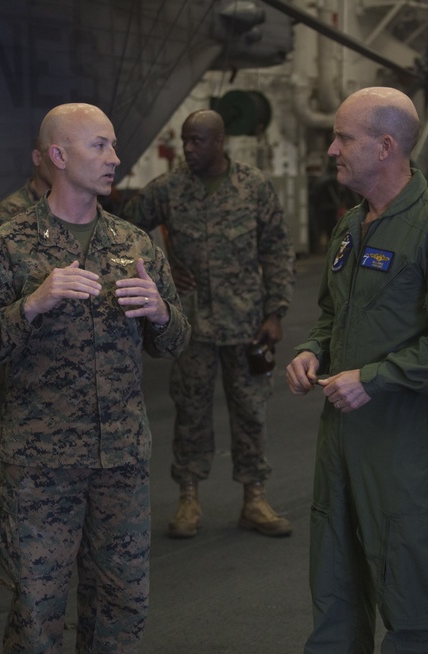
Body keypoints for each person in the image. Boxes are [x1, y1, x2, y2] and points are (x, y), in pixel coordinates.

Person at [0, 103, 190, 654]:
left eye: (113, 146)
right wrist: (32, 305)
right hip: (42, 466)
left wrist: (162, 313)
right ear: (58, 156)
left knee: (121, 605)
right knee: (38, 612)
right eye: (99, 146)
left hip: (121, 461)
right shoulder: (9, 246)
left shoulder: (135, 244)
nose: (114, 159)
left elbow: (176, 341)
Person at [285, 87, 428, 654]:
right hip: (341, 440)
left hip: (403, 444)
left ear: (385, 145)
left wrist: (374, 379)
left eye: (342, 138)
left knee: (417, 600)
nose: (331, 150)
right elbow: (333, 314)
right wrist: (311, 350)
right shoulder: (351, 226)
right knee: (335, 594)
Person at [123, 109, 296, 538]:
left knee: (251, 410)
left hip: (247, 322)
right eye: (185, 140)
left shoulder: (253, 187)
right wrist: (160, 270)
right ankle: (188, 499)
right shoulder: (169, 188)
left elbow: (277, 249)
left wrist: (276, 312)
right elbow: (124, 232)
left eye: (197, 140)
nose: (188, 149)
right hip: (190, 325)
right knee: (190, 411)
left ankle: (255, 498)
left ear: (220, 142)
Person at [0, 134, 55, 233]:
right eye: (53, 157)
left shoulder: (70, 207)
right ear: (37, 158)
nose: (59, 165)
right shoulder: (12, 210)